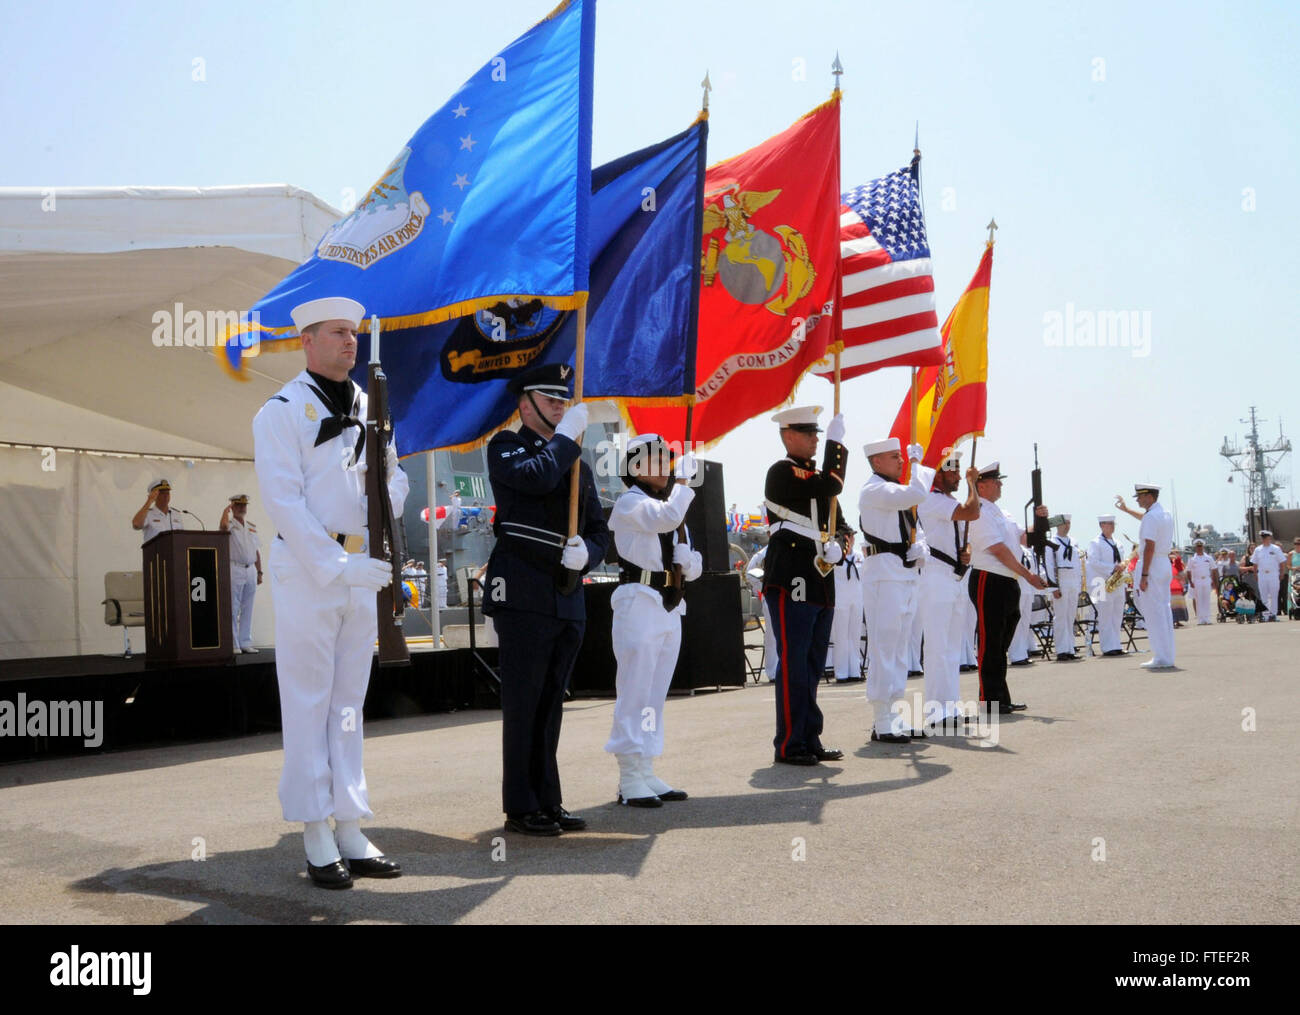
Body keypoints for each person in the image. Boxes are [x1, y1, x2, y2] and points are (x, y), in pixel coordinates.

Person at [252, 295, 408, 889]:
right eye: (339, 333)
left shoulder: (372, 406)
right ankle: (314, 829)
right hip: (313, 570)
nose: (351, 341)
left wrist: (378, 533)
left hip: (363, 566)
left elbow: (393, 477)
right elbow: (283, 502)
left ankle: (349, 823)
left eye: (355, 333)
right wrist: (338, 562)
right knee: (309, 701)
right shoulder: (280, 410)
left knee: (348, 705)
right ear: (307, 340)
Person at [482, 363, 609, 836]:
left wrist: (588, 555)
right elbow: (535, 478)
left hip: (566, 594)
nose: (559, 404)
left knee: (552, 703)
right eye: (549, 397)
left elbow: (598, 530)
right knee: (524, 703)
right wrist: (568, 439)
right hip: (523, 592)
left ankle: (548, 799)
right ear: (525, 402)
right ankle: (521, 804)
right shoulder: (507, 446)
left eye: (563, 399)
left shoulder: (577, 462)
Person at [604, 433, 702, 806]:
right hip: (639, 600)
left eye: (667, 458)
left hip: (669, 603)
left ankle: (645, 766)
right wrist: (683, 487)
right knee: (635, 690)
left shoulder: (670, 509)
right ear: (634, 468)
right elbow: (666, 519)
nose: (665, 465)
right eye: (656, 459)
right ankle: (628, 777)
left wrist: (687, 560)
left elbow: (691, 560)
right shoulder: (631, 503)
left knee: (654, 696)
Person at [762, 405, 848, 764]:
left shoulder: (819, 480)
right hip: (792, 576)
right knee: (794, 660)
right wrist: (837, 446)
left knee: (813, 662)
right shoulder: (783, 472)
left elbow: (842, 525)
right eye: (809, 432)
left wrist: (840, 547)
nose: (815, 438)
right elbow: (828, 483)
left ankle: (809, 736)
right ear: (788, 435)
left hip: (820, 579)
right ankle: (789, 743)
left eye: (818, 433)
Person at [858, 436, 928, 743]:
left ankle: (896, 713)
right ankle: (881, 719)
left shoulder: (895, 493)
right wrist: (918, 466)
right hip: (883, 574)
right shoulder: (874, 489)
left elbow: (916, 525)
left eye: (902, 456)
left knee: (901, 649)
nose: (901, 460)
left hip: (903, 573)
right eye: (895, 456)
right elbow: (916, 493)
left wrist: (920, 547)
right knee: (884, 647)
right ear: (876, 462)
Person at [967, 460, 1048, 715]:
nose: (1000, 484)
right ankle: (989, 699)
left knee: (1001, 642)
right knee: (990, 641)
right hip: (989, 578)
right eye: (996, 480)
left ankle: (1000, 696)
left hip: (1008, 580)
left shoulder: (999, 512)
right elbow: (998, 549)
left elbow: (1023, 537)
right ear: (982, 484)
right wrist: (1028, 575)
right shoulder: (978, 509)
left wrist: (1041, 520)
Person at [916, 450, 980, 729]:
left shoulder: (947, 501)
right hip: (935, 575)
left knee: (953, 646)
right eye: (951, 472)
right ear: (937, 474)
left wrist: (964, 553)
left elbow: (955, 535)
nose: (956, 476)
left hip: (953, 576)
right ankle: (935, 710)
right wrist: (972, 484)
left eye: (958, 471)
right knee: (937, 646)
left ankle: (950, 705)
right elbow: (972, 512)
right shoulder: (930, 499)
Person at [1132, 482, 1176, 669]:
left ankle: (1161, 657)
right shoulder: (1165, 514)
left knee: (1153, 611)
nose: (1139, 500)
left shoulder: (1151, 517)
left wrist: (1144, 575)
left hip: (1152, 565)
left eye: (1141, 497)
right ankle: (1166, 654)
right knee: (1162, 610)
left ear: (1149, 496)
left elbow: (1149, 547)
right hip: (1163, 562)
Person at [221, 493, 262, 654]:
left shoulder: (251, 526)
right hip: (235, 568)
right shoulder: (229, 524)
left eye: (244, 505)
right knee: (233, 606)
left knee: (248, 606)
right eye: (238, 505)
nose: (242, 508)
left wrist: (260, 572)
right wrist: (225, 512)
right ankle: (233, 643)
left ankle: (245, 641)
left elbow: (256, 551)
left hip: (250, 569)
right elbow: (223, 527)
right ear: (232, 507)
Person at [1087, 514, 1128, 654]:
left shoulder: (1118, 542)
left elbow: (1122, 561)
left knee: (1117, 614)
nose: (1112, 526)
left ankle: (1116, 644)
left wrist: (1122, 569)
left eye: (1113, 523)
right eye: (1109, 523)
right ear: (1102, 525)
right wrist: (1112, 568)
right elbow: (1093, 561)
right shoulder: (1095, 543)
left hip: (1117, 582)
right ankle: (1107, 646)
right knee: (1105, 615)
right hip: (1102, 583)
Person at [829, 529, 865, 683]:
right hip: (840, 600)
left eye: (852, 537)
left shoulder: (859, 556)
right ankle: (842, 672)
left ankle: (854, 670)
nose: (852, 539)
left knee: (854, 636)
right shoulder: (836, 557)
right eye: (850, 536)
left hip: (856, 599)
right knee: (841, 636)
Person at [745, 544, 778, 683]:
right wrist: (764, 588)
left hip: (790, 597)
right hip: (771, 597)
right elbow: (749, 573)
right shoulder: (763, 554)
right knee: (772, 637)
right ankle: (773, 672)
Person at [131, 479, 185, 543]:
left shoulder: (176, 514)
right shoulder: (147, 514)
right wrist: (149, 500)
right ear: (155, 495)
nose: (166, 496)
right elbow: (136, 524)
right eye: (162, 493)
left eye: (167, 493)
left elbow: (182, 537)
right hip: (155, 552)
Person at [1250, 531, 1287, 621]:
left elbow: (1282, 562)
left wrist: (1282, 573)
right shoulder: (1258, 549)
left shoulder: (1275, 549)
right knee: (1264, 596)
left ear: (1269, 538)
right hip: (1262, 574)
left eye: (1266, 537)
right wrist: (1255, 573)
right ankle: (1265, 615)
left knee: (1274, 595)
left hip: (1273, 574)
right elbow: (1254, 562)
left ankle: (1273, 615)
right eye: (1263, 538)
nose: (1264, 539)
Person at [1185, 540, 1216, 625]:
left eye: (1200, 546)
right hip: (1197, 580)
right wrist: (1190, 581)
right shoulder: (1192, 559)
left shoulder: (1208, 558)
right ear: (1196, 548)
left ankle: (1207, 618)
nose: (1199, 548)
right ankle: (1200, 619)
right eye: (1198, 547)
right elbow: (1188, 571)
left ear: (1203, 547)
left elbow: (1214, 569)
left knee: (1206, 599)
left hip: (1206, 579)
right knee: (1199, 600)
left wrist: (1213, 580)